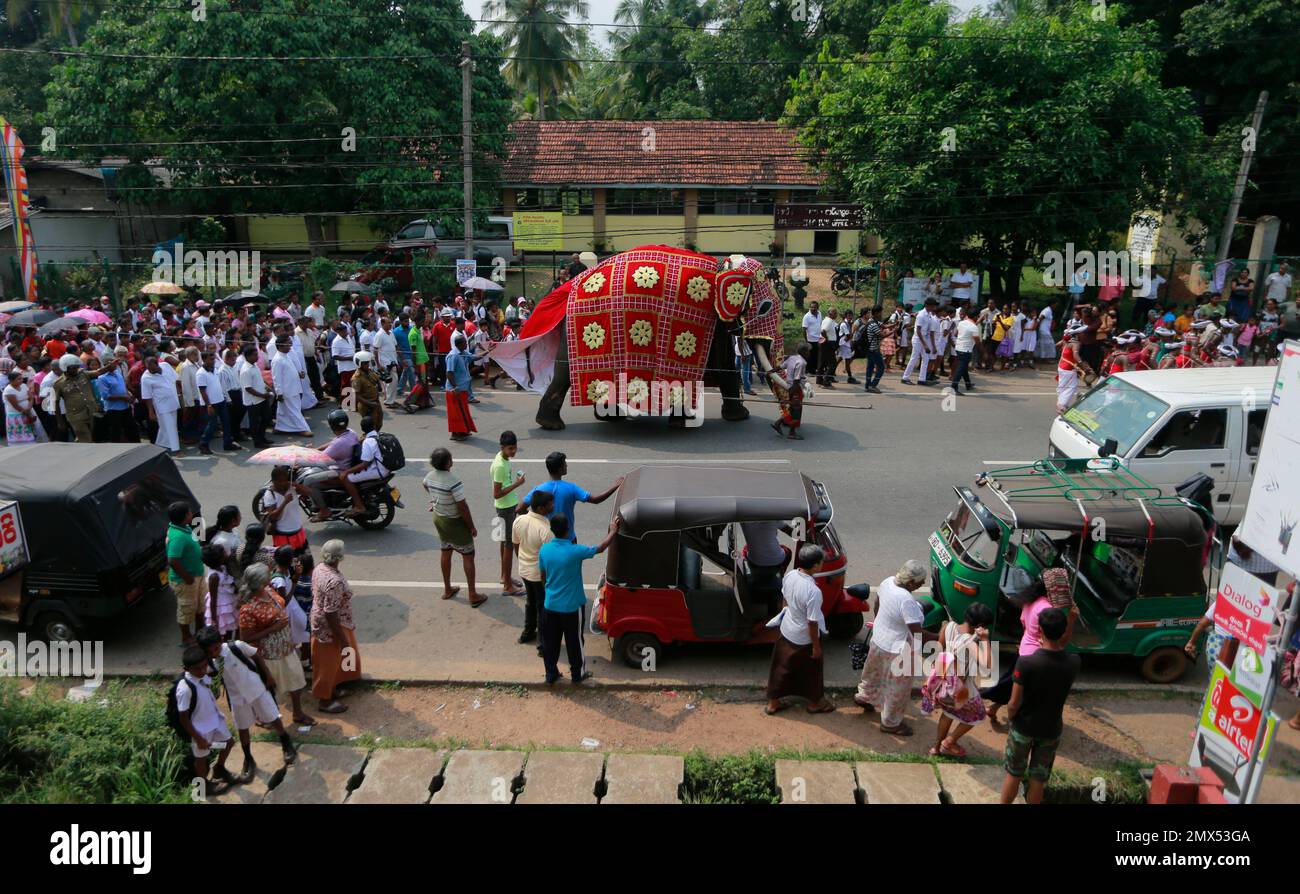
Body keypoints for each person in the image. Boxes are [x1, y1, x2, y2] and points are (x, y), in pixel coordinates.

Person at [195, 626, 297, 780]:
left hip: (256, 689)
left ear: (221, 641)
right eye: (209, 652)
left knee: (272, 716)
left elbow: (256, 655)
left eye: (215, 649)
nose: (214, 653)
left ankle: (285, 742)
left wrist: (268, 676)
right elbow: (207, 677)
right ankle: (248, 758)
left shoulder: (236, 647)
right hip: (237, 698)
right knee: (242, 727)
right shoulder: (210, 662)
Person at [1001, 607, 1080, 804]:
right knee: (1038, 779)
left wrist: (1011, 717)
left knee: (1014, 774)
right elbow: (1061, 646)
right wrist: (1071, 620)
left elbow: (1013, 703)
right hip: (1051, 729)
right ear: (1063, 631)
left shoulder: (1026, 663)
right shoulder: (1074, 662)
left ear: (1040, 631)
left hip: (1023, 728)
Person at [855, 559, 935, 736]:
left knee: (873, 673)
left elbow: (877, 604)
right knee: (898, 688)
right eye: (921, 582)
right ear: (912, 582)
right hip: (899, 649)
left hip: (879, 639)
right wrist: (942, 637)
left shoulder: (887, 582)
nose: (922, 584)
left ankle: (865, 696)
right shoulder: (906, 600)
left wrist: (879, 624)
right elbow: (917, 632)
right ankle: (890, 723)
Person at [538, 514, 618, 685]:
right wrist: (613, 531)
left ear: (552, 530)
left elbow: (542, 577)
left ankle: (550, 674)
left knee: (550, 643)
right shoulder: (575, 551)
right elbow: (601, 548)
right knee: (575, 641)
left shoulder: (544, 550)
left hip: (550, 605)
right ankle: (577, 674)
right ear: (568, 529)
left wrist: (551, 590)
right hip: (572, 607)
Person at [237, 563, 315, 727]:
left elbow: (283, 602)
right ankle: (267, 718)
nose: (271, 574)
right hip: (268, 654)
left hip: (286, 647)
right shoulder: (248, 609)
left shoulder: (269, 591)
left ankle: (298, 713)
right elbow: (246, 638)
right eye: (267, 574)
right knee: (270, 689)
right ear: (260, 582)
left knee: (296, 680)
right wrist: (273, 628)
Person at [764, 544, 836, 715]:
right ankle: (815, 703)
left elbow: (785, 599)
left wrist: (784, 618)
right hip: (804, 637)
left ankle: (773, 703)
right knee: (812, 671)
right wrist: (816, 647)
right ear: (816, 566)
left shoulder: (790, 576)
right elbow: (812, 622)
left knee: (781, 667)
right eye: (821, 562)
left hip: (787, 629)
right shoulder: (813, 591)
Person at [921, 602, 994, 758]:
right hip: (961, 689)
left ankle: (936, 747)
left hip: (944, 685)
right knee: (979, 714)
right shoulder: (969, 641)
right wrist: (985, 640)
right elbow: (987, 664)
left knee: (948, 714)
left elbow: (938, 651)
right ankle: (949, 742)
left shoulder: (949, 626)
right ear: (980, 625)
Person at [423, 447, 484, 607]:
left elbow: (426, 486)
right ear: (448, 462)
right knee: (468, 555)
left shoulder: (429, 476)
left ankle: (448, 589)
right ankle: (472, 594)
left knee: (446, 551)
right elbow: (462, 506)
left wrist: (436, 501)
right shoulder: (453, 480)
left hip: (439, 519)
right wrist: (471, 526)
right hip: (455, 522)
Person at [172, 645, 237, 791]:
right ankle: (201, 789)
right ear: (186, 668)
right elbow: (184, 718)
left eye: (204, 666)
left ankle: (219, 768)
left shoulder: (202, 674)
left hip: (215, 720)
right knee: (201, 759)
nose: (202, 671)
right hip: (200, 729)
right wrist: (199, 738)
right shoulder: (184, 689)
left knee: (229, 743)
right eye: (197, 668)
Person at [523, 451, 621, 543]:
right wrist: (615, 486)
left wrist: (536, 521)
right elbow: (596, 499)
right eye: (564, 463)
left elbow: (520, 508)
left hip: (547, 540)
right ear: (560, 469)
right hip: (568, 539)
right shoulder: (571, 488)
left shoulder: (538, 489)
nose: (567, 465)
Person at [309, 539, 361, 713]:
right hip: (332, 626)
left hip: (334, 620)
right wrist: (341, 638)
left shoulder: (319, 568)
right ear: (340, 557)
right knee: (328, 663)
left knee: (345, 656)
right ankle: (324, 699)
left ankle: (338, 684)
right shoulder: (335, 581)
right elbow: (330, 612)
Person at [512, 489, 554, 647]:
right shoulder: (546, 529)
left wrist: (523, 561)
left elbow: (516, 545)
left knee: (530, 602)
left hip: (524, 570)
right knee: (542, 607)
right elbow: (549, 559)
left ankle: (528, 632)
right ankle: (542, 643)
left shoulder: (519, 521)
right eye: (550, 504)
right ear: (541, 509)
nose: (553, 506)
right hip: (539, 575)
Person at [491, 431, 527, 597]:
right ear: (502, 448)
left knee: (504, 543)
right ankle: (507, 586)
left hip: (506, 506)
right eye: (510, 449)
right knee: (509, 545)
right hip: (505, 508)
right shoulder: (499, 465)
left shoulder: (503, 459)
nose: (513, 451)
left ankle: (504, 577)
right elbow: (496, 493)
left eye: (515, 448)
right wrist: (517, 484)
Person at [167, 501, 205, 646]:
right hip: (186, 580)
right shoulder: (178, 537)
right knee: (187, 608)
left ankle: (200, 630)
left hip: (198, 574)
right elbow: (172, 560)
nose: (192, 513)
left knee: (199, 604)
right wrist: (187, 578)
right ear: (185, 516)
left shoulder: (185, 527)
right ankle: (186, 637)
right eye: (190, 512)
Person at [260, 465, 310, 552]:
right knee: (286, 563)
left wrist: (295, 485)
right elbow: (272, 517)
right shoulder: (270, 494)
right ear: (273, 481)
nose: (283, 483)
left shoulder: (291, 488)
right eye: (280, 481)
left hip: (298, 531)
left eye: (285, 480)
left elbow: (309, 492)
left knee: (302, 562)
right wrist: (285, 502)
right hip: (282, 534)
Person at [194, 351, 235, 454]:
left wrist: (225, 398)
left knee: (226, 422)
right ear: (204, 360)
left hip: (220, 400)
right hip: (210, 404)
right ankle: (203, 444)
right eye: (210, 359)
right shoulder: (201, 373)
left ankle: (227, 443)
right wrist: (209, 405)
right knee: (212, 424)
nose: (213, 361)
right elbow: (202, 391)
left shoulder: (215, 370)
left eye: (213, 359)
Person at [271, 337, 311, 437]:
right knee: (294, 411)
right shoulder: (277, 360)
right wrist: (279, 392)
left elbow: (289, 372)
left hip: (294, 387)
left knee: (283, 411)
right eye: (288, 344)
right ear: (280, 346)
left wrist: (299, 374)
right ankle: (302, 428)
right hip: (286, 390)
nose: (290, 346)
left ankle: (280, 427)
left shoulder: (286, 356)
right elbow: (276, 378)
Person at [771, 343, 810, 440]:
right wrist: (795, 395)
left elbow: (781, 367)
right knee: (796, 411)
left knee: (792, 409)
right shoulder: (802, 363)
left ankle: (778, 423)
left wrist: (770, 371)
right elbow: (796, 380)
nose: (809, 353)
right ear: (804, 352)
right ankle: (791, 433)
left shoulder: (792, 358)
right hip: (796, 388)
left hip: (790, 387)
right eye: (808, 351)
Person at [238, 345, 273, 447]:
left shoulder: (254, 365)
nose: (257, 357)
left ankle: (262, 437)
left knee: (266, 417)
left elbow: (259, 379)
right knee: (254, 422)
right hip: (253, 401)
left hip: (262, 398)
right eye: (254, 355)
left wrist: (266, 386)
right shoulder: (245, 370)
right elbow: (247, 388)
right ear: (247, 356)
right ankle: (257, 442)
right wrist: (262, 395)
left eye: (256, 354)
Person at [202, 543, 239, 638]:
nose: (226, 554)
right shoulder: (214, 576)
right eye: (224, 553)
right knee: (225, 631)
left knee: (231, 627)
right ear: (218, 560)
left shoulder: (222, 567)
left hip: (229, 601)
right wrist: (214, 619)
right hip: (221, 607)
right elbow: (213, 598)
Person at [444, 334, 476, 440]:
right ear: (459, 344)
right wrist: (455, 387)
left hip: (462, 389)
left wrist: (488, 351)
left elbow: (474, 357)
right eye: (465, 343)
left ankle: (462, 431)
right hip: (454, 390)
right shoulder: (453, 356)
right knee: (455, 413)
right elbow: (449, 373)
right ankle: (455, 434)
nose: (466, 345)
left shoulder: (463, 353)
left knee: (462, 411)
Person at [900, 298, 938, 385]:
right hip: (918, 339)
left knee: (926, 358)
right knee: (914, 358)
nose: (934, 307)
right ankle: (905, 378)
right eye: (933, 306)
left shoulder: (927, 314)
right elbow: (918, 331)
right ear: (928, 306)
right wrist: (925, 345)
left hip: (922, 338)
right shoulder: (922, 315)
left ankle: (922, 379)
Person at [4, 369, 45, 445]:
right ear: (11, 380)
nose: (21, 380)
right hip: (17, 413)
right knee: (22, 431)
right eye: (19, 379)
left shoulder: (23, 385)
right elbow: (16, 405)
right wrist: (26, 412)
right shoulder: (8, 390)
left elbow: (31, 397)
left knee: (36, 427)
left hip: (29, 410)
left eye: (21, 378)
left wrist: (29, 408)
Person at [949, 306, 980, 395]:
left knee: (964, 367)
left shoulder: (962, 323)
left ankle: (968, 384)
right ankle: (954, 387)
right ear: (975, 317)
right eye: (977, 316)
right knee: (961, 368)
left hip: (958, 348)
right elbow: (978, 342)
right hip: (965, 350)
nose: (978, 318)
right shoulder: (973, 327)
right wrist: (984, 352)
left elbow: (955, 334)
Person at [351, 350, 383, 429]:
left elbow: (377, 380)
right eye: (365, 363)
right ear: (359, 363)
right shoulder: (356, 378)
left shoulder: (369, 372)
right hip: (366, 406)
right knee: (371, 428)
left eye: (368, 363)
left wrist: (379, 384)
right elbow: (357, 396)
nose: (367, 365)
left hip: (376, 403)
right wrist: (370, 403)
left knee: (379, 424)